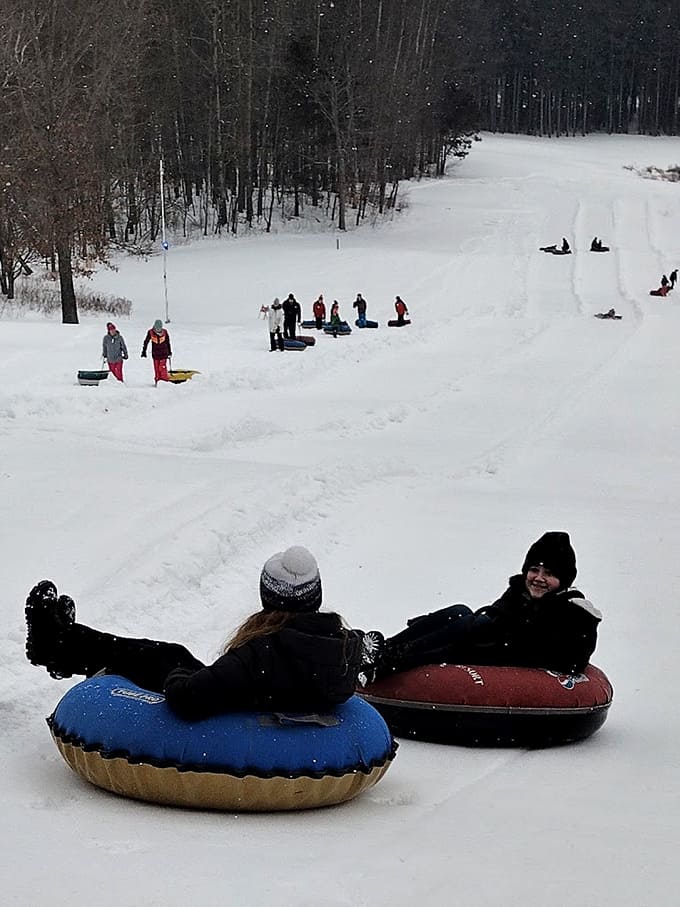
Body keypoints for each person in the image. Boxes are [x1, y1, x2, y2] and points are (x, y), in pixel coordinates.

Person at [25, 546, 365, 721]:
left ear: (268, 597)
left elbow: (187, 700)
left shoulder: (263, 651)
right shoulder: (341, 646)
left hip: (234, 712)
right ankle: (63, 642)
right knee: (170, 652)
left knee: (156, 658)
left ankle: (56, 645)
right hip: (259, 699)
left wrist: (179, 674)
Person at [360, 532, 601, 685]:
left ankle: (389, 663)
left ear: (564, 579)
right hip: (495, 646)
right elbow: (500, 615)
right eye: (534, 570)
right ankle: (382, 648)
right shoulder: (519, 593)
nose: (538, 578)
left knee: (466, 630)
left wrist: (505, 637)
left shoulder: (574, 611)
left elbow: (571, 659)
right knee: (460, 611)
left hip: (513, 662)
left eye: (548, 573)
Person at [141, 319, 172, 385]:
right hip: (155, 354)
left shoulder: (165, 332)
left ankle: (164, 382)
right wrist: (144, 351)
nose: (158, 330)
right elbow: (146, 341)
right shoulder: (150, 332)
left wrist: (169, 352)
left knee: (162, 368)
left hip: (164, 353)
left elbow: (168, 342)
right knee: (156, 369)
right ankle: (157, 381)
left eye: (159, 328)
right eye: (157, 328)